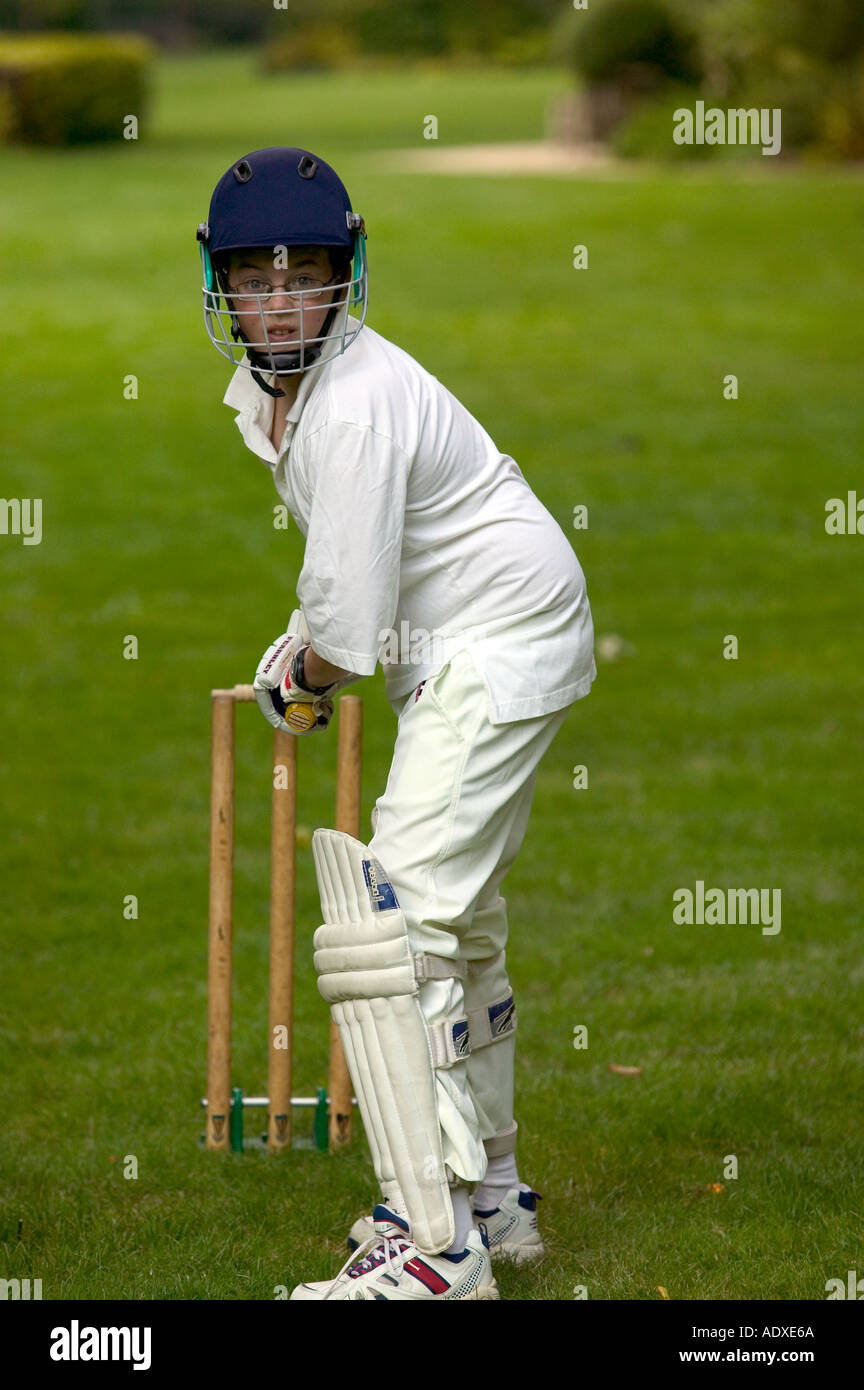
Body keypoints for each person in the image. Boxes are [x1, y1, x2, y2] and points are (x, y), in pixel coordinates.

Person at [197, 146, 596, 1301]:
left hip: (496, 639)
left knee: (394, 922)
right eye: (253, 276)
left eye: (302, 273)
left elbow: (350, 633)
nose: (277, 299)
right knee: (459, 924)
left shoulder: (355, 404)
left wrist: (304, 677)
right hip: (484, 635)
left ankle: (431, 1247)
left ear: (344, 275)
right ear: (219, 284)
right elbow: (350, 576)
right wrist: (304, 644)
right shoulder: (297, 392)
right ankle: (494, 1197)